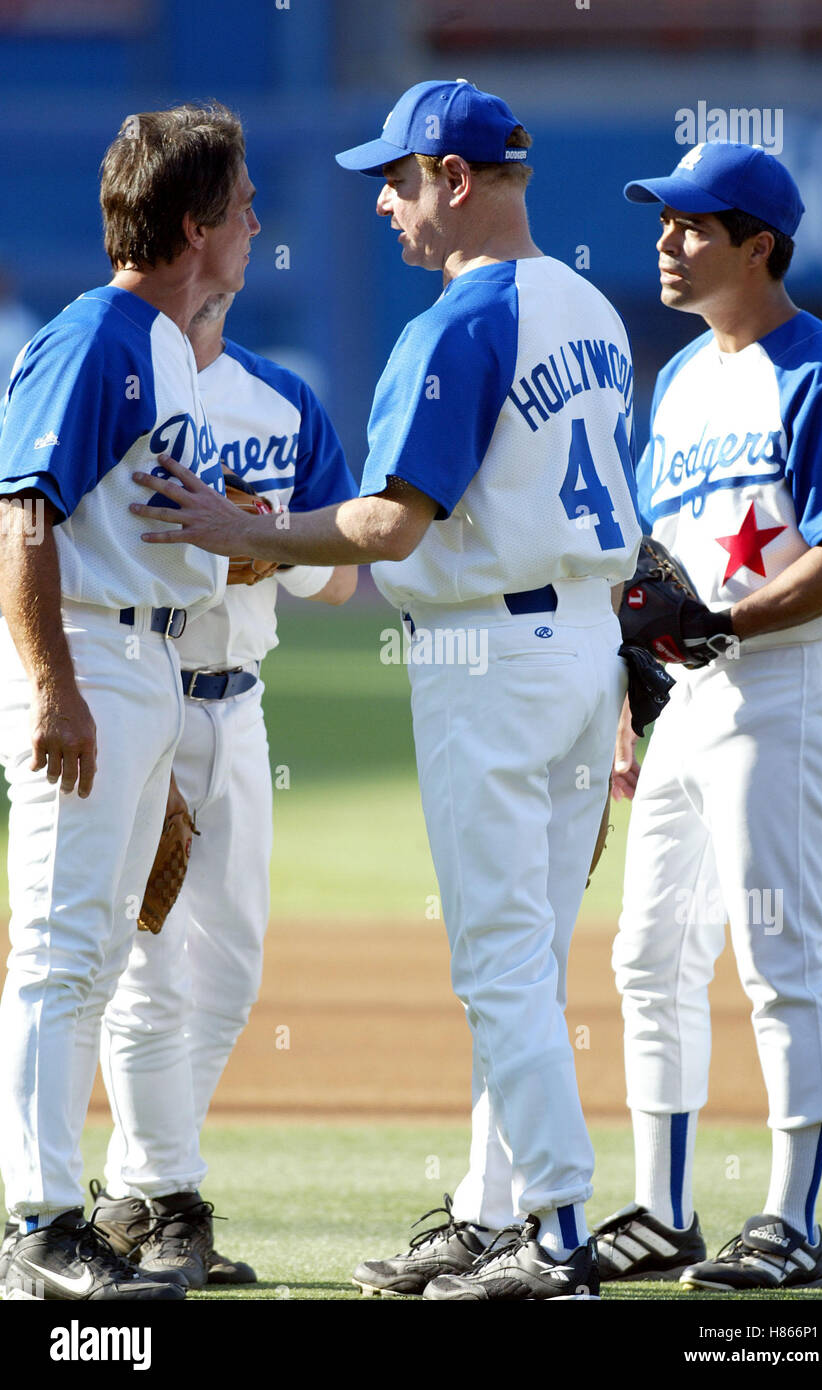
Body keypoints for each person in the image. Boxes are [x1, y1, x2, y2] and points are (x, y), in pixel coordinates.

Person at [126, 78, 643, 1302]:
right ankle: (489, 1210)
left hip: (490, 660)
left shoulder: (456, 323)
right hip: (582, 645)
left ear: (453, 180)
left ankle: (552, 1237)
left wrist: (234, 525)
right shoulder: (593, 308)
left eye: (398, 181)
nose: (381, 204)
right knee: (531, 957)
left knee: (498, 965)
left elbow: (389, 527)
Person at [592, 141, 822, 1292]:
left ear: (757, 244)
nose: (664, 240)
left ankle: (792, 1223)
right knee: (648, 951)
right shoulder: (682, 383)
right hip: (694, 694)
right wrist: (627, 693)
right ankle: (662, 1207)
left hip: (785, 685)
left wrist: (731, 626)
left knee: (776, 948)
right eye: (662, 220)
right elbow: (657, 564)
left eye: (691, 225)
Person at [0, 101, 257, 1302]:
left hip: (144, 663)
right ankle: (41, 1223)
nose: (257, 222)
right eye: (243, 204)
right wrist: (54, 684)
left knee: (97, 950)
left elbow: (147, 527)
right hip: (92, 656)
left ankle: (63, 1215)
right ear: (196, 224)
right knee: (58, 954)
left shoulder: (163, 348)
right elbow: (23, 509)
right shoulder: (100, 333)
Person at [88, 291, 357, 1290]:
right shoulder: (113, 383)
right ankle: (168, 1201)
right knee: (149, 967)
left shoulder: (279, 399)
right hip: (143, 688)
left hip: (238, 705)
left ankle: (133, 1190)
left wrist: (266, 539)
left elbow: (335, 579)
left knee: (231, 971)